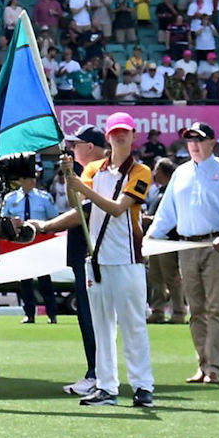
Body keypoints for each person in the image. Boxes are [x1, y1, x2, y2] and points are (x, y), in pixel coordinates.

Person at [55, 118, 158, 413]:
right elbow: (79, 204)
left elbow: (117, 208)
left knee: (133, 324)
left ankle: (142, 386)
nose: (120, 137)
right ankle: (106, 385)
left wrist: (79, 188)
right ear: (109, 137)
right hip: (97, 259)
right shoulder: (92, 169)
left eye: (125, 132)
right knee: (102, 327)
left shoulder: (141, 171)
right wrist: (67, 177)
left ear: (133, 136)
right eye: (115, 133)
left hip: (127, 259)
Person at [149, 124, 219, 385]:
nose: (193, 144)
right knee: (196, 309)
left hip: (217, 244)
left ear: (212, 142)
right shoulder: (180, 172)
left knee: (215, 307)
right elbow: (167, 211)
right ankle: (202, 364)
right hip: (187, 245)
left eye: (199, 140)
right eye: (190, 140)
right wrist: (151, 237)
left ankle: (214, 366)